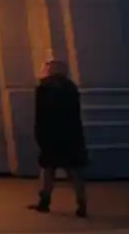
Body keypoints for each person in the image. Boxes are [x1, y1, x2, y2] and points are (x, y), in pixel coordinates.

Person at [29, 59, 89, 218]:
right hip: (71, 134)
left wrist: (39, 135)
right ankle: (82, 203)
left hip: (51, 134)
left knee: (48, 169)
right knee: (74, 171)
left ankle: (44, 202)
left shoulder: (43, 89)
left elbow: (40, 115)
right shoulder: (71, 88)